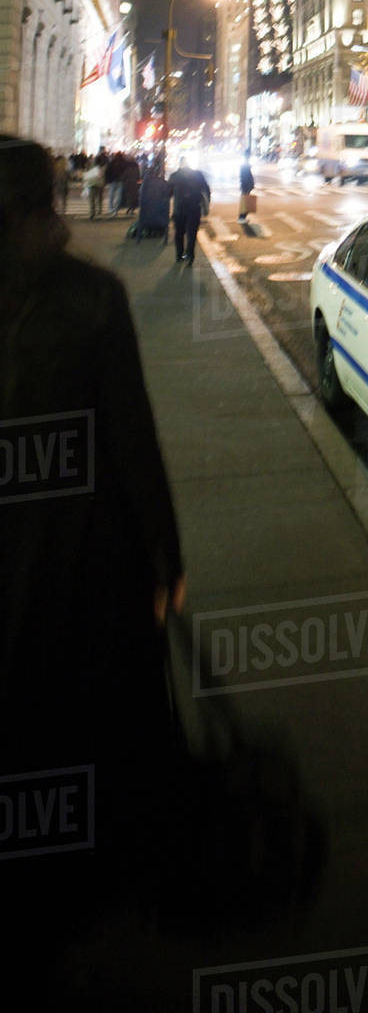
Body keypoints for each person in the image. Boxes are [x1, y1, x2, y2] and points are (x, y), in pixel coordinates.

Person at [0, 136, 185, 951]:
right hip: (84, 551)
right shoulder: (92, 296)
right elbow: (132, 438)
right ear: (46, 204)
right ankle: (92, 870)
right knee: (91, 713)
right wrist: (164, 555)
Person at [168, 157, 210, 265]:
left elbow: (168, 193)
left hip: (179, 208)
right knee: (192, 233)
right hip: (194, 208)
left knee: (179, 233)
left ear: (180, 164)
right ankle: (190, 255)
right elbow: (206, 189)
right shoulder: (198, 174)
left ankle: (179, 255)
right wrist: (206, 206)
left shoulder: (174, 176)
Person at [83, 154, 105, 218]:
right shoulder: (101, 167)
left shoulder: (90, 166)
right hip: (99, 184)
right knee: (99, 198)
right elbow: (102, 176)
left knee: (91, 199)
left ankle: (92, 212)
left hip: (92, 184)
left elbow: (86, 174)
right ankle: (99, 210)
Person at [238, 152, 255, 223]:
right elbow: (246, 177)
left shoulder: (245, 165)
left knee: (245, 202)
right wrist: (250, 185)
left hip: (245, 186)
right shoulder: (245, 165)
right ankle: (242, 218)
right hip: (246, 186)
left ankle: (243, 217)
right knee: (245, 203)